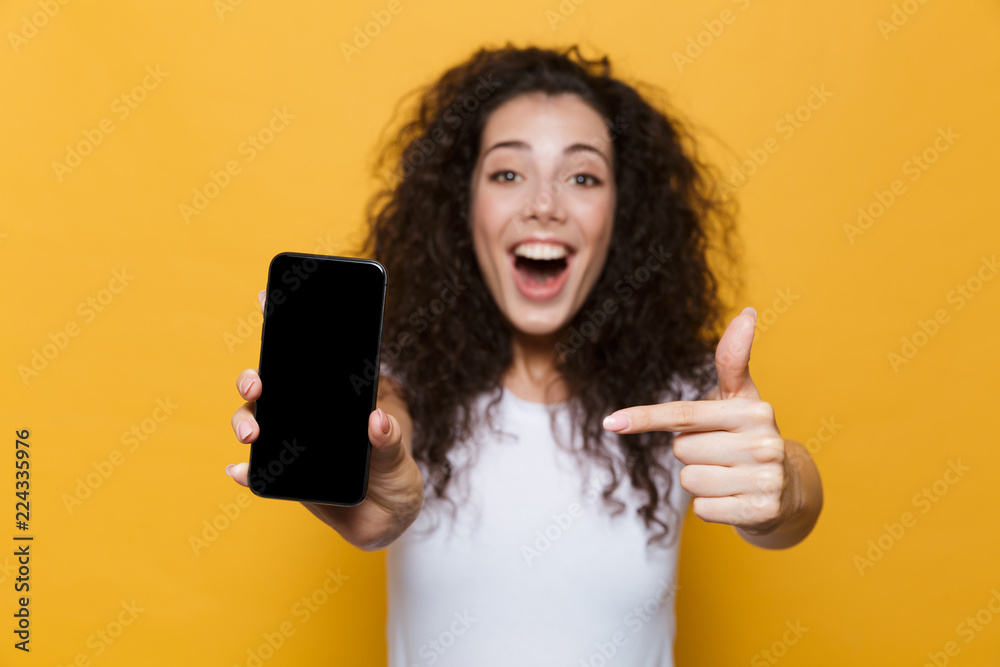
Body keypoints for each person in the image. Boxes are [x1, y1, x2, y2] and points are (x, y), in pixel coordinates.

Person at [226, 44, 823, 665]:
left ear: (624, 213)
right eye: (508, 174)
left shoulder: (680, 393)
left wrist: (782, 489)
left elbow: (794, 503)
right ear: (464, 209)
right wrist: (371, 473)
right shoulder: (401, 385)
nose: (544, 204)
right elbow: (384, 419)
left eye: (583, 176)